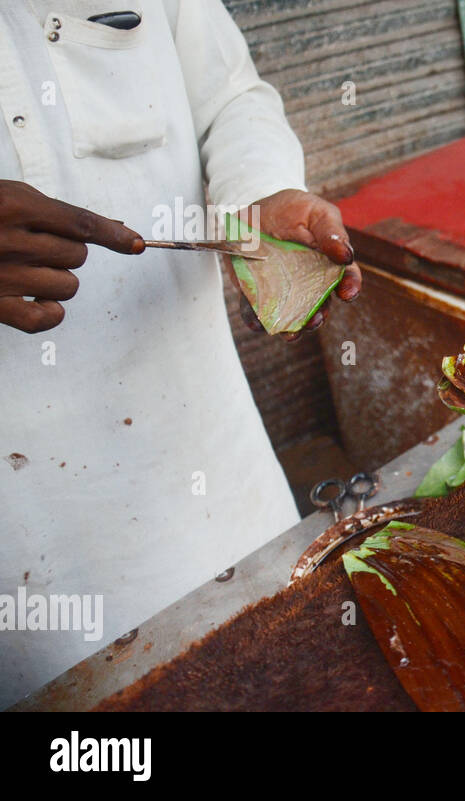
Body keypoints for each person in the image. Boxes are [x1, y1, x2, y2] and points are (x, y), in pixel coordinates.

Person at [0, 1, 361, 707]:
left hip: (211, 457)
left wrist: (256, 193)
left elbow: (228, 95)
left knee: (286, 661)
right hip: (29, 540)